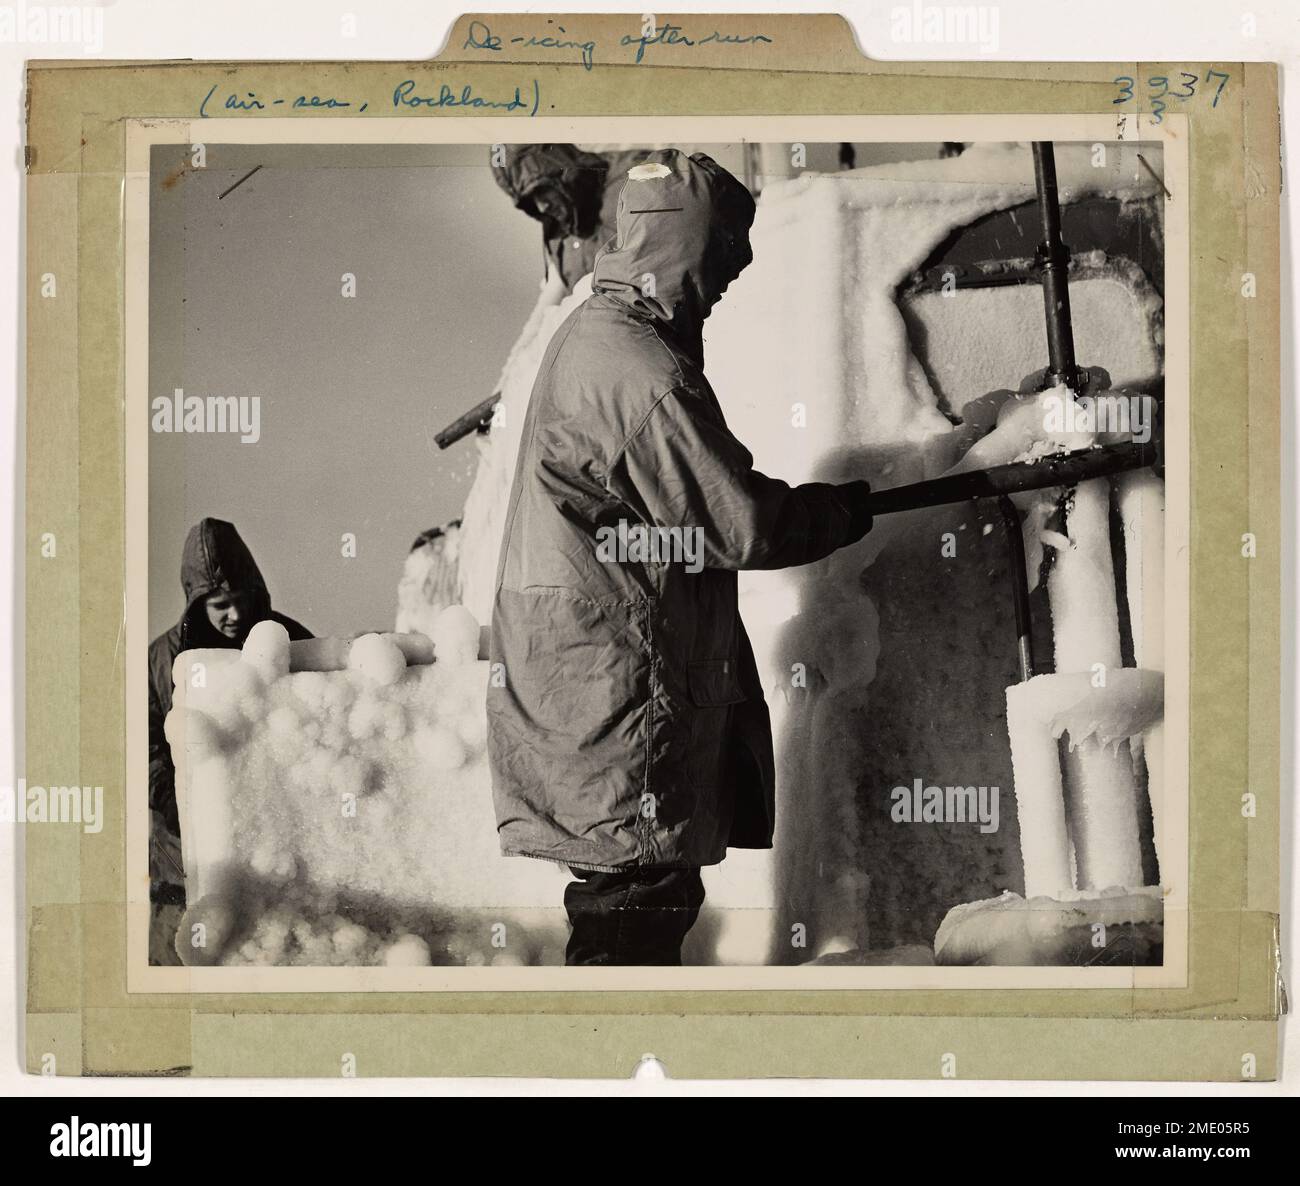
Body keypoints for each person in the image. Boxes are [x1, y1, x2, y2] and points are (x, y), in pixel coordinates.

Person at [487, 150, 877, 966]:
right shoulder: (638, 373)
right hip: (617, 697)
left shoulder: (600, 338)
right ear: (680, 251)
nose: (725, 285)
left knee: (627, 904)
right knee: (632, 912)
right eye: (718, 263)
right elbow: (741, 523)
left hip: (596, 693)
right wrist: (841, 509)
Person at [147, 518, 311, 964]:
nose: (234, 615)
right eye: (219, 603)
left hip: (280, 836)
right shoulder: (161, 660)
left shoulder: (289, 640)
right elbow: (147, 751)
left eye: (240, 600)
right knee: (191, 953)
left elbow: (321, 722)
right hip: (190, 847)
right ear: (197, 602)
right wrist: (182, 811)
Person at [491, 143, 649, 294]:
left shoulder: (636, 177)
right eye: (530, 201)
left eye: (541, 191)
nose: (542, 207)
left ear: (562, 171)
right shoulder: (560, 237)